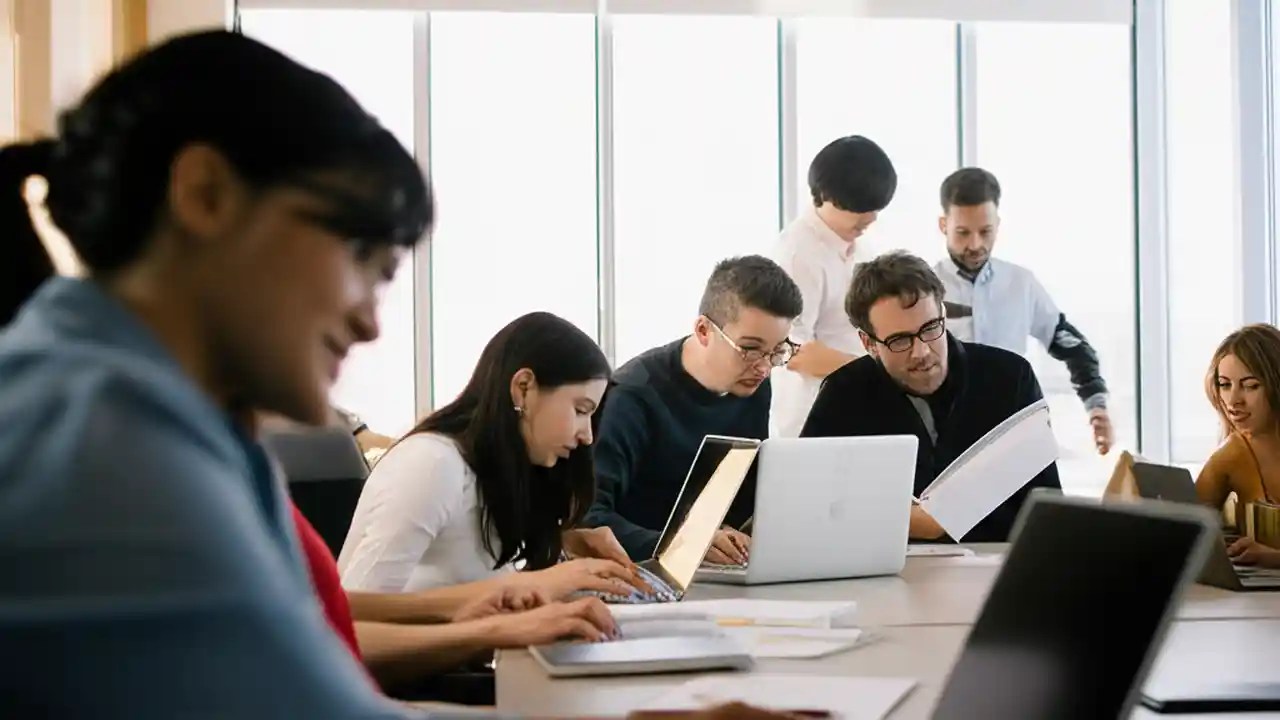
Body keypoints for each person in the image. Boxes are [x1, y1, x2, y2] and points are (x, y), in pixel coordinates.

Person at [339, 312, 646, 598]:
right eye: (580, 411)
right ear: (523, 388)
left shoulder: (494, 471)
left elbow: (465, 561)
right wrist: (527, 587)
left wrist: (564, 543)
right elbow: (351, 612)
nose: (587, 436)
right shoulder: (432, 464)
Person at [801, 251, 1062, 542]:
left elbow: (1046, 507)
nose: (922, 352)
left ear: (943, 314)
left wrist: (939, 522)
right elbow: (808, 505)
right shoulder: (843, 393)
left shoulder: (1011, 377)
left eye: (930, 329)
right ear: (868, 343)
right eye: (900, 340)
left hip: (995, 568)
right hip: (885, 574)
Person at [584, 256, 804, 561]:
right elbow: (587, 519)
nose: (765, 367)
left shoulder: (752, 383)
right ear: (703, 330)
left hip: (711, 565)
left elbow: (739, 499)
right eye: (750, 349)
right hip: (641, 567)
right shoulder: (632, 397)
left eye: (778, 351)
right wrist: (684, 544)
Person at [932, 167, 1114, 455]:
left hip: (1018, 428)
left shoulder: (1022, 284)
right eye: (963, 233)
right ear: (944, 225)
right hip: (948, 434)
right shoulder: (926, 289)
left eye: (985, 231)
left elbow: (1074, 347)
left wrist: (1096, 405)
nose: (975, 244)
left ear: (998, 224)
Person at [770, 135, 897, 438]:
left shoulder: (859, 249)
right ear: (824, 196)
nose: (871, 218)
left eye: (876, 208)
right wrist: (878, 375)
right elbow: (790, 351)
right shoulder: (798, 253)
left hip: (854, 415)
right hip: (812, 424)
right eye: (861, 208)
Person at [1196, 324, 1280, 569]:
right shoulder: (1230, 456)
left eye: (1251, 385)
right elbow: (1183, 537)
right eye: (1224, 384)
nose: (1233, 401)